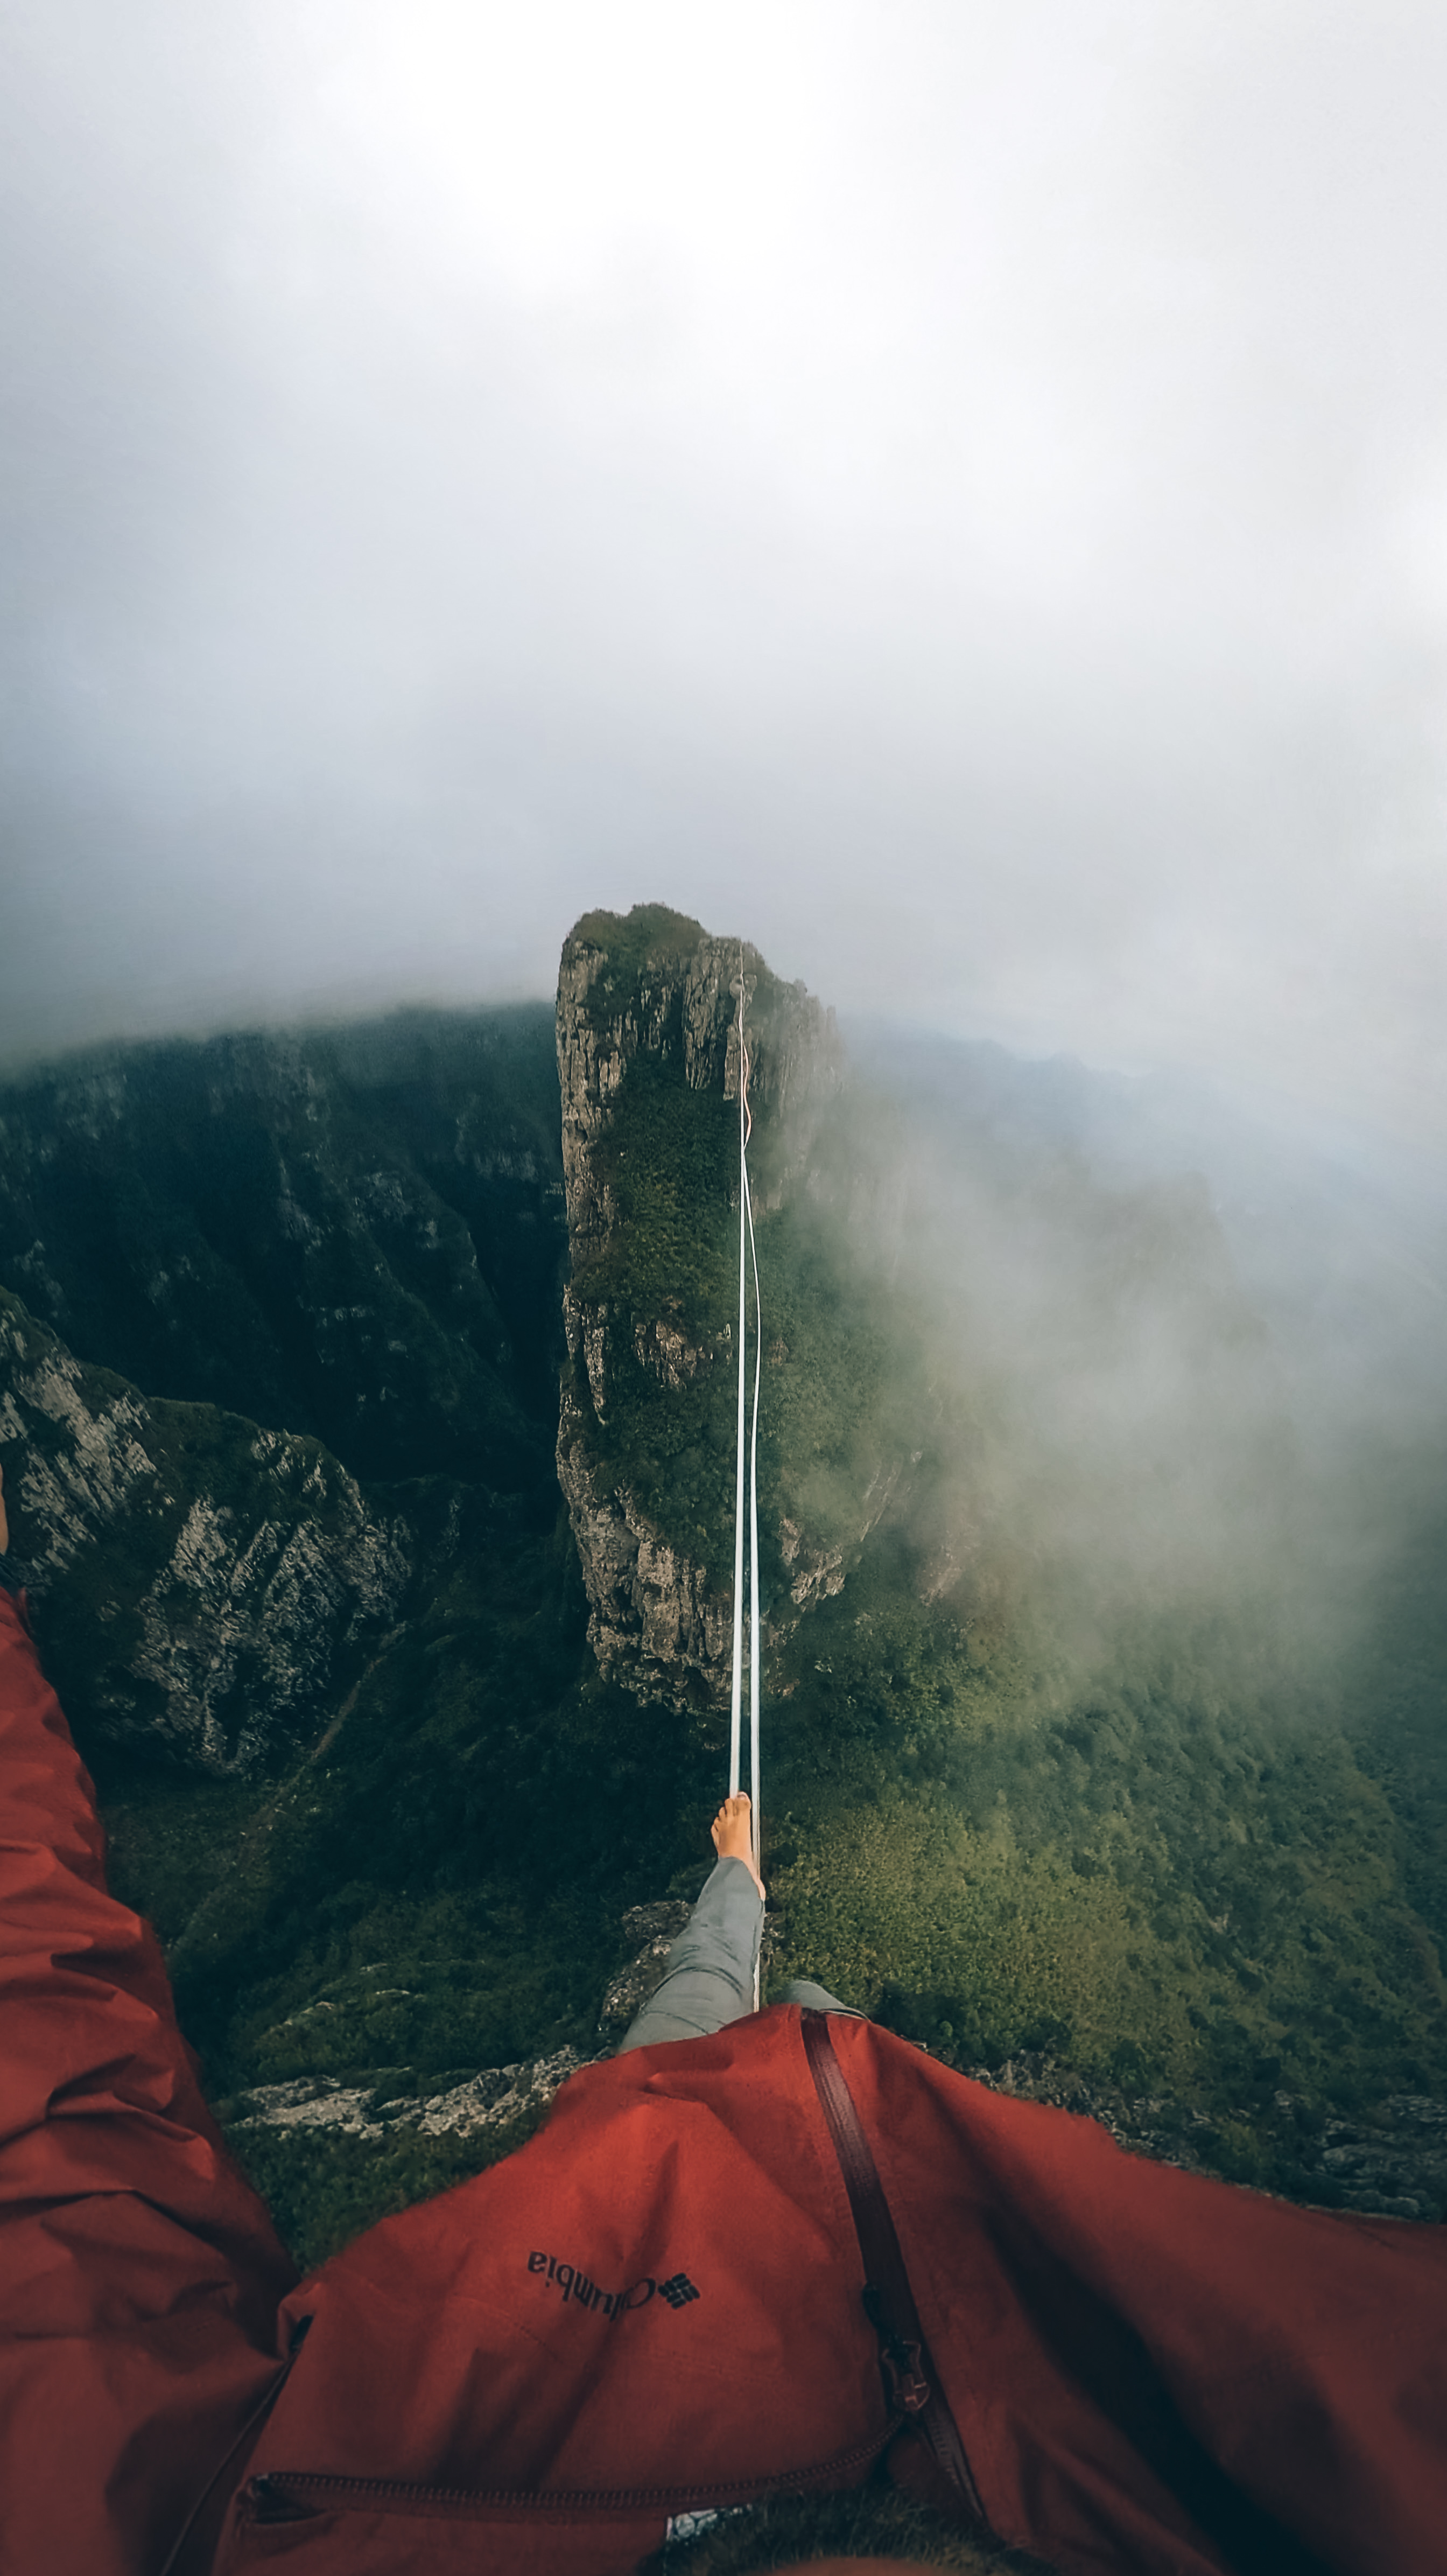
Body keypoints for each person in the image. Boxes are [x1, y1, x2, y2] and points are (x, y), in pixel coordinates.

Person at [2, 1461, 1446, 2576]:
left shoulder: (192, 2520)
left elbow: (51, 2100)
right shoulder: (1265, 2427)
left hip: (666, 2183)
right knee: (718, 2018)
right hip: (805, 2139)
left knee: (695, 2036)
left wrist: (735, 1896)